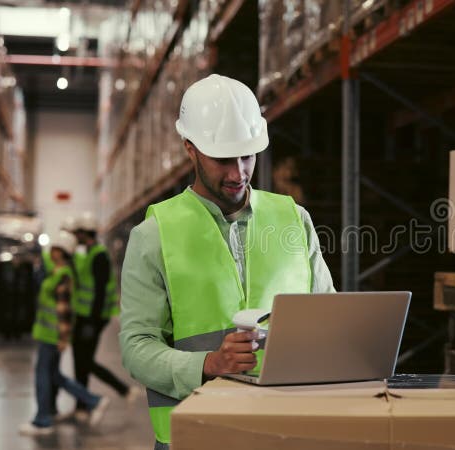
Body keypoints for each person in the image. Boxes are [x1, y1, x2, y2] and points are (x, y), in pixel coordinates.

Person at [119, 74, 335, 449]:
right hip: (194, 434)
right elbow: (136, 346)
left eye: (247, 156)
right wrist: (207, 364)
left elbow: (328, 313)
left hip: (283, 428)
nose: (238, 173)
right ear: (190, 148)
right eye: (222, 159)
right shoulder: (154, 235)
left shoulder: (293, 218)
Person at [19, 231, 110, 436]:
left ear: (61, 252)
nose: (51, 252)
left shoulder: (63, 276)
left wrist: (62, 337)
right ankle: (93, 400)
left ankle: (43, 420)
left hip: (51, 336)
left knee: (43, 375)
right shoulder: (59, 272)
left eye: (54, 248)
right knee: (54, 375)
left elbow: (64, 310)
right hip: (47, 333)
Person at [64, 212, 137, 421]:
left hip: (93, 318)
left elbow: (99, 292)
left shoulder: (99, 256)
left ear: (82, 233)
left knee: (84, 361)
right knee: (80, 361)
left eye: (76, 232)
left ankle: (120, 390)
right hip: (84, 316)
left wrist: (93, 322)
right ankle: (82, 405)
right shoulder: (87, 253)